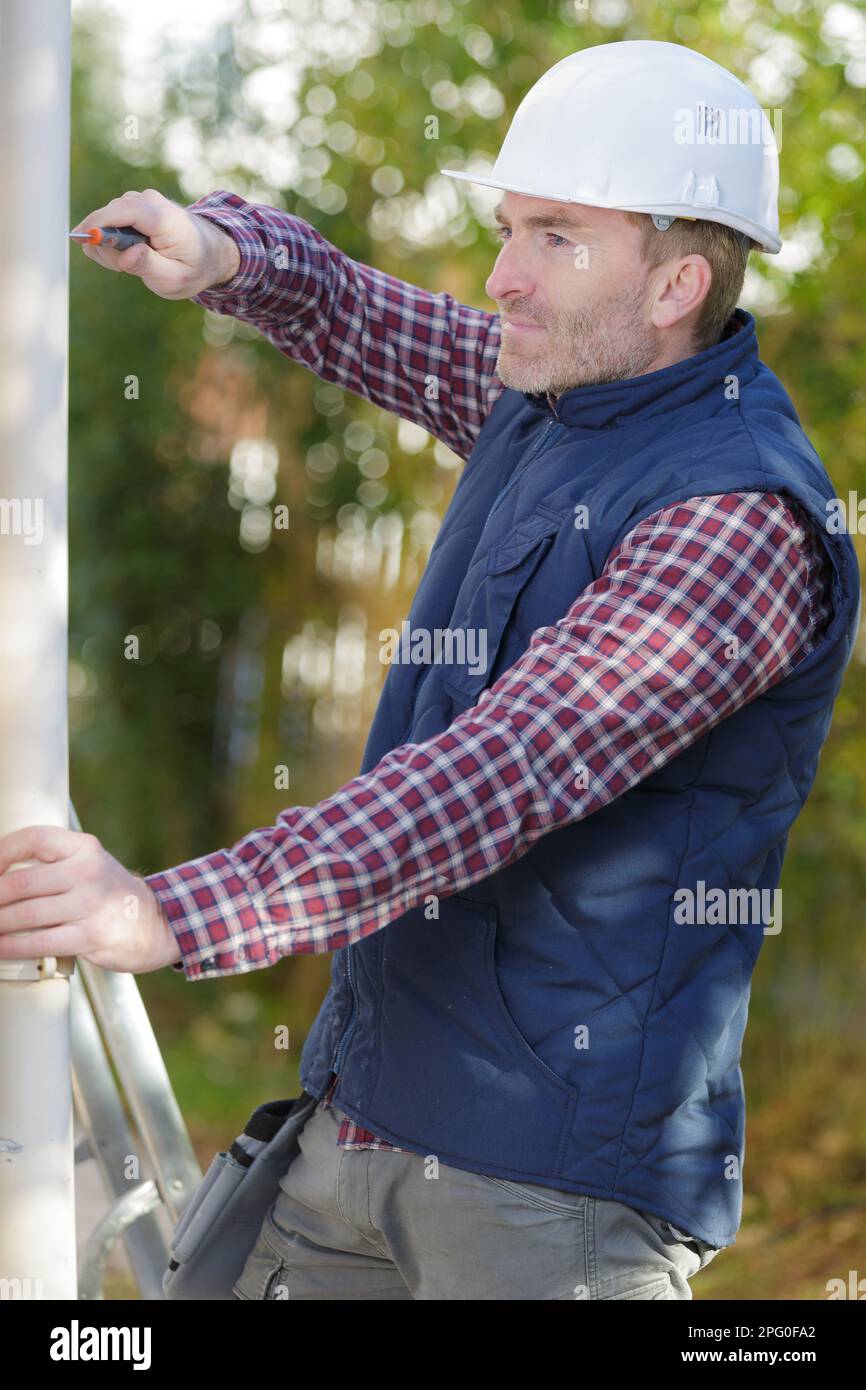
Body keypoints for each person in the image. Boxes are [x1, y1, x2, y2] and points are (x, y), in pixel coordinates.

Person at [0, 40, 859, 1300]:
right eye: (508, 227)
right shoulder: (558, 391)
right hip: (359, 1122)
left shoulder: (731, 517)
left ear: (677, 279)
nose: (503, 277)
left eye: (553, 236)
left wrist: (174, 911)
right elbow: (372, 318)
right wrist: (230, 255)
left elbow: (498, 772)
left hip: (540, 1202)